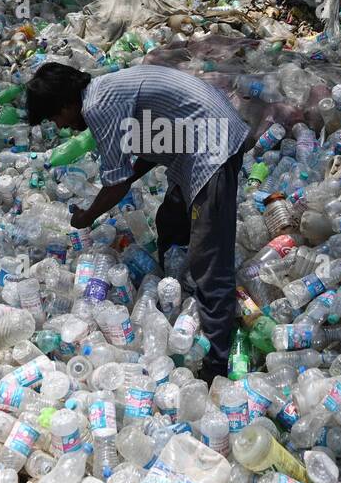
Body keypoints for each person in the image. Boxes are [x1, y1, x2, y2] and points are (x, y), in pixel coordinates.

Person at [25, 62, 250, 379]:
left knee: (209, 259)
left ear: (65, 104)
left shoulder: (98, 107)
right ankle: (176, 290)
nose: (60, 126)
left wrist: (86, 217)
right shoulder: (107, 90)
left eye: (54, 117)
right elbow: (147, 151)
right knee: (171, 219)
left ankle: (216, 361)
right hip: (193, 136)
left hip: (210, 141)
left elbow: (118, 184)